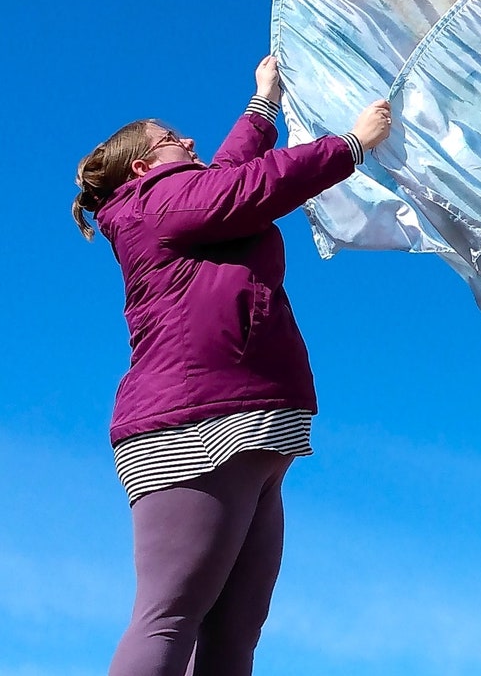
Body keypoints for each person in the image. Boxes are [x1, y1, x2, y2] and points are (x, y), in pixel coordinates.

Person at [71, 55, 391, 676]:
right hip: (191, 426)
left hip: (252, 424)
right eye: (171, 138)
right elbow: (245, 187)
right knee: (170, 615)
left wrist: (262, 101)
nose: (188, 138)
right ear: (142, 166)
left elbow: (230, 172)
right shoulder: (151, 206)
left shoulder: (178, 200)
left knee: (234, 633)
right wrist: (351, 145)